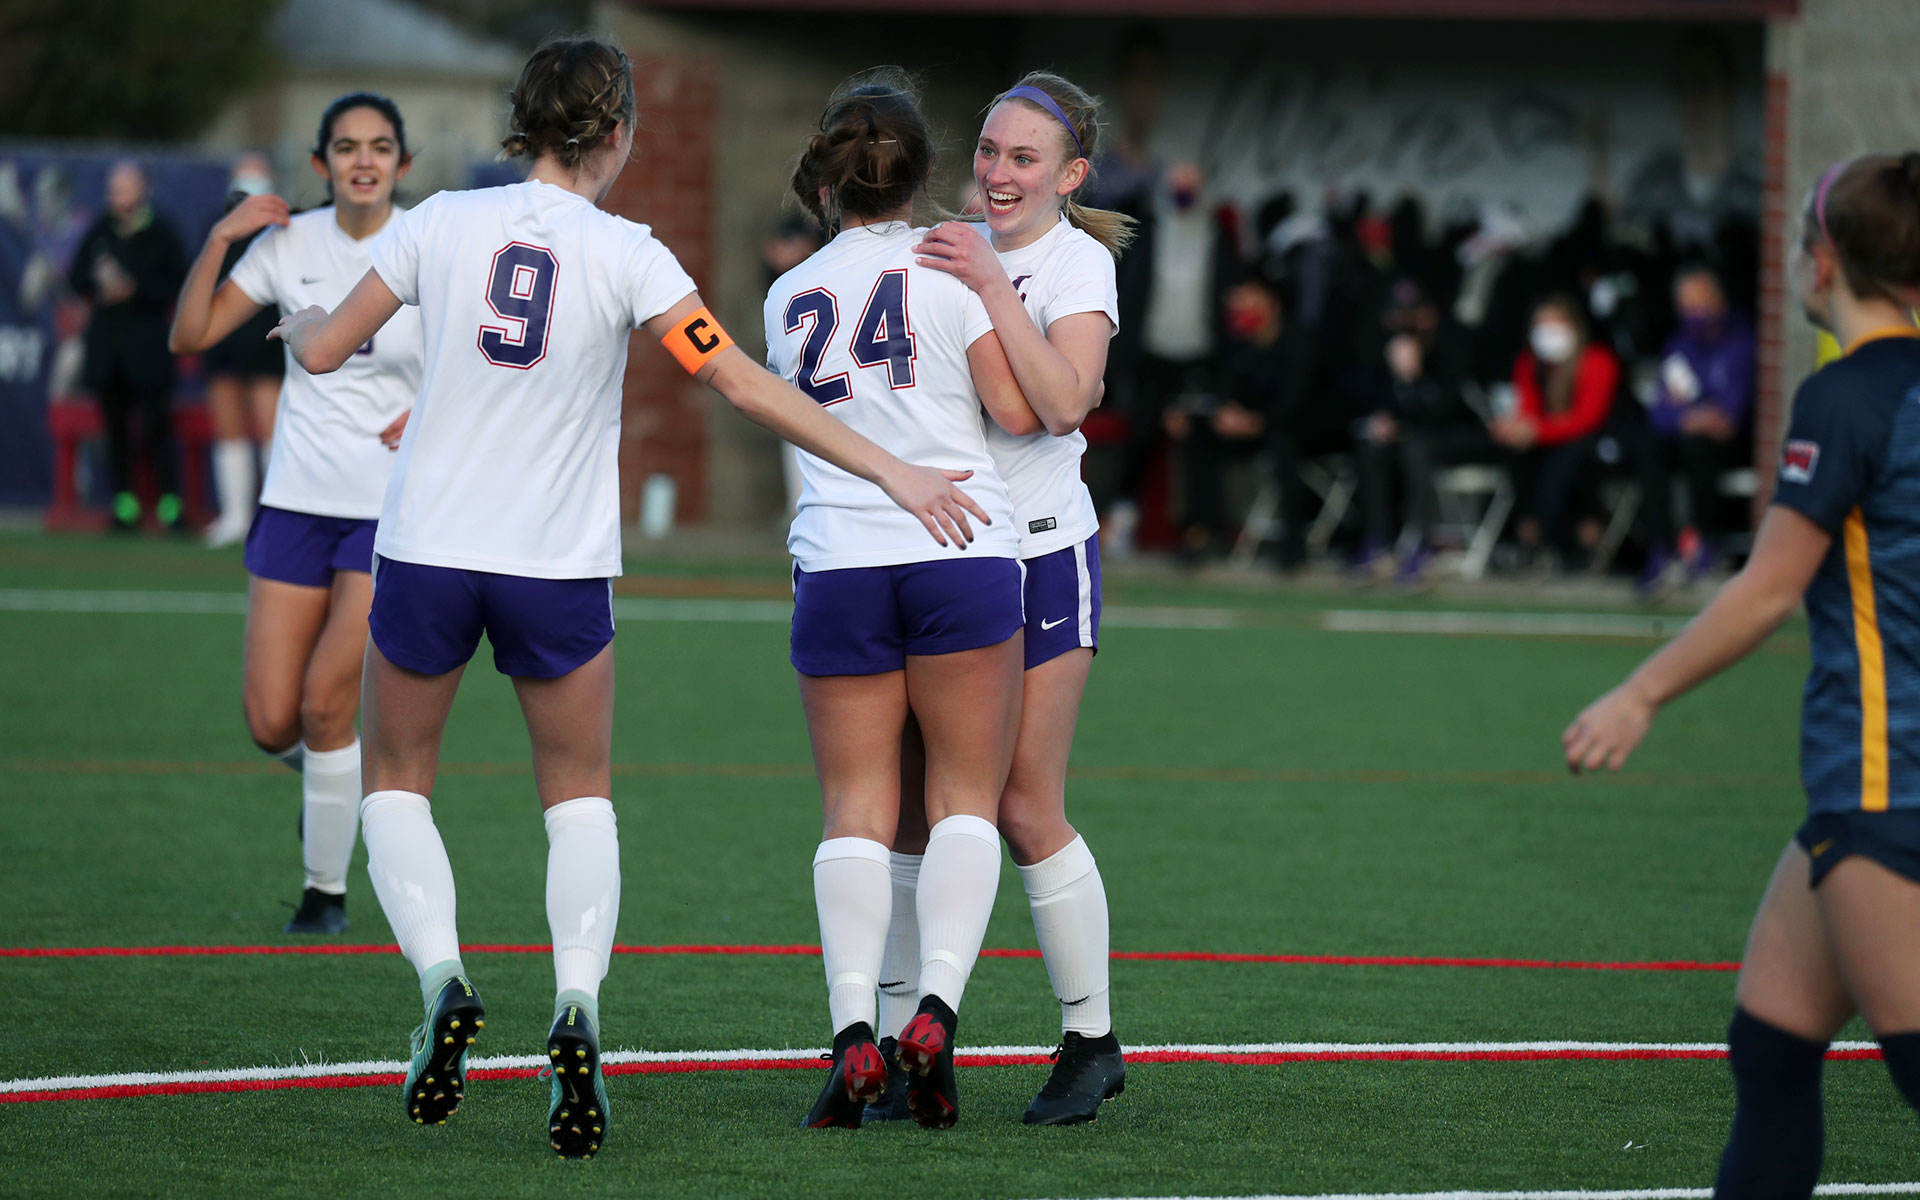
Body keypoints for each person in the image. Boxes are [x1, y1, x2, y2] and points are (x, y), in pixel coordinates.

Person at [272, 40, 986, 1159]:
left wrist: (300, 336)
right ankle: (577, 1004)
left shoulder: (435, 224)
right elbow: (739, 380)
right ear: (619, 136)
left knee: (396, 781)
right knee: (580, 795)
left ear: (521, 128)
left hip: (425, 551)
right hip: (555, 566)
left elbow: (325, 349)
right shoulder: (630, 253)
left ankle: (444, 982)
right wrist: (891, 468)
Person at [1563, 154, 1920, 1197]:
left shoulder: (1845, 394)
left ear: (1824, 259)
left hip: (1885, 785)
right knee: (1772, 1051)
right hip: (1858, 790)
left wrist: (1641, 692)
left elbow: (1767, 592)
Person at [766, 70, 1035, 1133]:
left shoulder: (791, 293)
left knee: (857, 812)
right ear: (926, 176)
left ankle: (850, 1036)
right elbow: (1018, 409)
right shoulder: (951, 273)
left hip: (838, 558)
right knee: (963, 800)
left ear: (832, 178)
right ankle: (935, 1011)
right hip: (961, 545)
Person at [886, 69, 1134, 1126]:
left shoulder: (1075, 264)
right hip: (939, 556)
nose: (996, 173)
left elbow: (1063, 402)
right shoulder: (937, 241)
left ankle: (1091, 1040)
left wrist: (990, 285)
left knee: (1023, 804)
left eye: (1023, 157)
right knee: (905, 812)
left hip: (1039, 554)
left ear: (1071, 174)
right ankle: (903, 1051)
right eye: (988, 150)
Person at [170, 95, 424, 938]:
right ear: (320, 164)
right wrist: (221, 237)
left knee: (325, 706)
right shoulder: (289, 243)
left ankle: (325, 895)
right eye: (346, 147)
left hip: (384, 517)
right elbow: (191, 333)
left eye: (380, 147)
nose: (364, 160)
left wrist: (428, 410)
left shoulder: (431, 243)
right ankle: (333, 786)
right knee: (270, 720)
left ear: (402, 164)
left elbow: (485, 362)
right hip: (292, 507)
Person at [67, 160, 185, 531]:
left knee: (156, 430)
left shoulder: (161, 231)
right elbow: (76, 277)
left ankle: (171, 507)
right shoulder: (101, 230)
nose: (117, 195)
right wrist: (101, 286)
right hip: (108, 351)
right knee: (115, 433)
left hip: (147, 350)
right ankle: (124, 508)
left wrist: (136, 289)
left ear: (142, 188)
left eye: (124, 187)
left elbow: (179, 283)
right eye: (113, 187)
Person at [1353, 278, 1490, 584]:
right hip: (1415, 435)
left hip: (1465, 434)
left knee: (1417, 447)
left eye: (1410, 313)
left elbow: (1448, 409)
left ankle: (1420, 544)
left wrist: (1414, 377)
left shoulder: (1453, 345)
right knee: (1371, 445)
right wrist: (1385, 417)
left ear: (1428, 313)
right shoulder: (1388, 345)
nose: (1402, 321)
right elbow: (1380, 400)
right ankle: (1377, 542)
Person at [1637, 264, 1756, 592]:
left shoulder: (1741, 341)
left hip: (1731, 445)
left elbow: (1731, 415)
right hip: (1685, 436)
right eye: (1685, 305)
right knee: (1651, 446)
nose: (1692, 312)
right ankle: (1662, 549)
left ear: (1718, 299)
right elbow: (1660, 410)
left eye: (1698, 303)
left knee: (1697, 446)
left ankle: (1709, 546)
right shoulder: (1679, 343)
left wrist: (1695, 416)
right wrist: (1689, 417)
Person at [1490, 294, 1620, 568]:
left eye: (1554, 323)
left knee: (1564, 461)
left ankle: (1569, 539)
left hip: (1592, 444)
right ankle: (1524, 533)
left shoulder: (1596, 360)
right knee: (1517, 454)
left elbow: (1587, 420)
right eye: (1540, 323)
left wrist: (1537, 431)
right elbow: (1527, 408)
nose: (1546, 331)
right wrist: (1513, 428)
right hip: (1546, 442)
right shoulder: (1530, 362)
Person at [199, 153, 287, 549]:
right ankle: (235, 516)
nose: (251, 184)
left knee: (272, 432)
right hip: (223, 343)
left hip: (268, 343)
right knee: (228, 429)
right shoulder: (217, 229)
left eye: (258, 176)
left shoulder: (283, 228)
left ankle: (274, 517)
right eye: (244, 177)